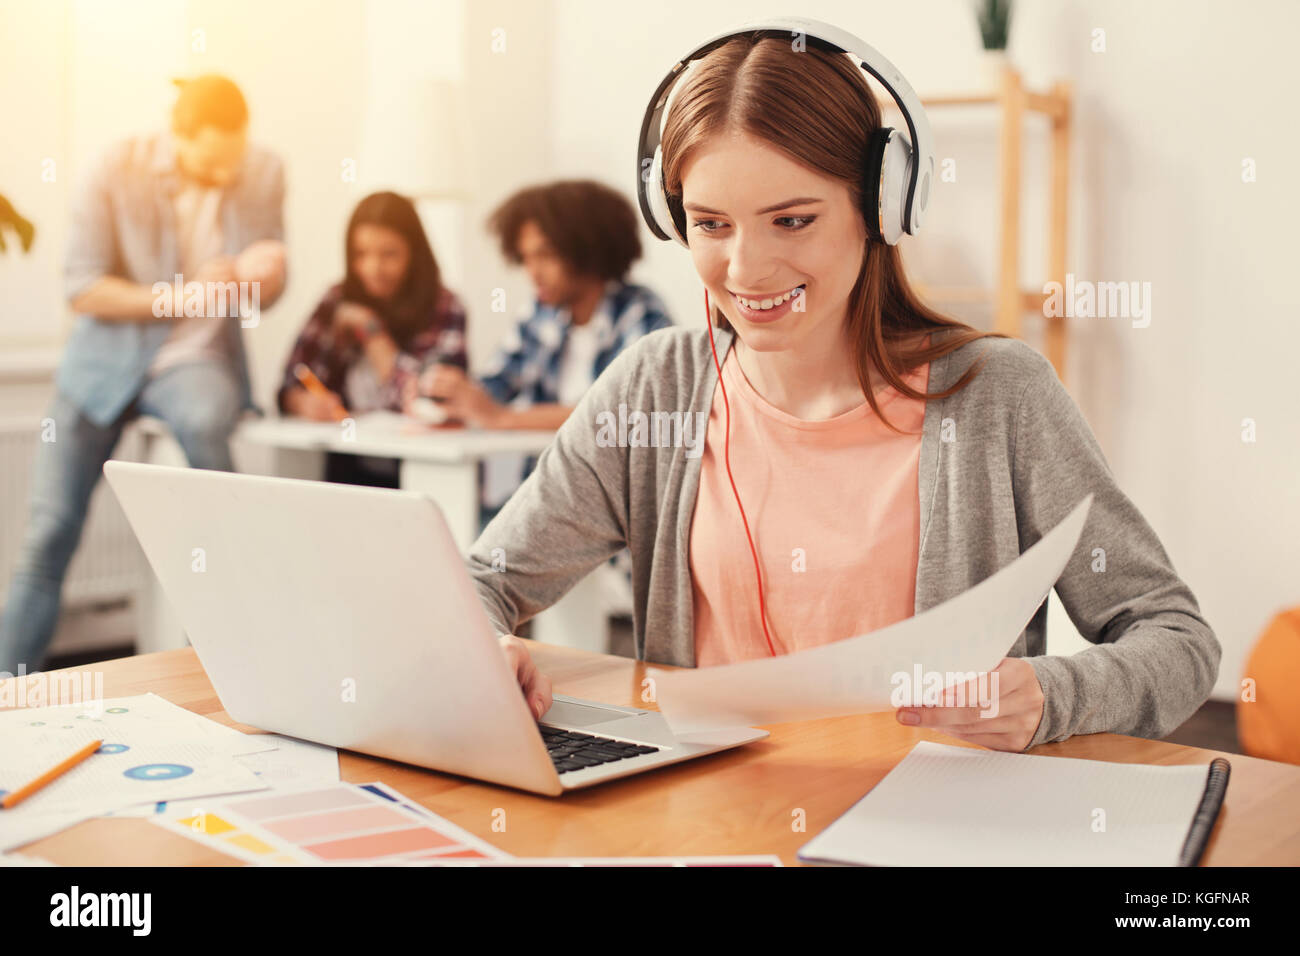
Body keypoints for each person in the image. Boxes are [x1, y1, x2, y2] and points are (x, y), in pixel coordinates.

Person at [469, 25, 1220, 753]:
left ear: (882, 205)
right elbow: (482, 580)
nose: (745, 269)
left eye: (791, 220)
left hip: (928, 820)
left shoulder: (998, 398)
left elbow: (1176, 640)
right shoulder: (655, 388)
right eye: (711, 223)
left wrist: (1052, 696)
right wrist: (488, 647)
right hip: (707, 822)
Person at [0, 74, 287, 673]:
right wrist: (179, 298)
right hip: (102, 365)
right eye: (212, 164)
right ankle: (8, 688)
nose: (225, 176)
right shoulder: (114, 167)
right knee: (48, 534)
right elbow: (82, 287)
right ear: (178, 135)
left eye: (233, 162)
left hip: (198, 364)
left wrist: (266, 272)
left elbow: (269, 284)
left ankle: (240, 655)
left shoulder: (260, 170)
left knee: (211, 430)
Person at [421, 180, 674, 529]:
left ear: (587, 248)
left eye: (545, 255)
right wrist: (443, 395)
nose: (532, 272)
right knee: (456, 536)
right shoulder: (541, 314)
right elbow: (491, 388)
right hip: (546, 506)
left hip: (618, 522)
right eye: (525, 258)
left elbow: (625, 420)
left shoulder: (641, 314)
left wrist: (503, 418)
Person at [277, 191, 468, 487]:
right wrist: (305, 403)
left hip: (419, 471)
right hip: (344, 465)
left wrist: (371, 332)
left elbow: (426, 402)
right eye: (360, 254)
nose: (372, 269)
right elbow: (292, 382)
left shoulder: (445, 307)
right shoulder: (336, 300)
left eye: (389, 254)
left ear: (414, 253)